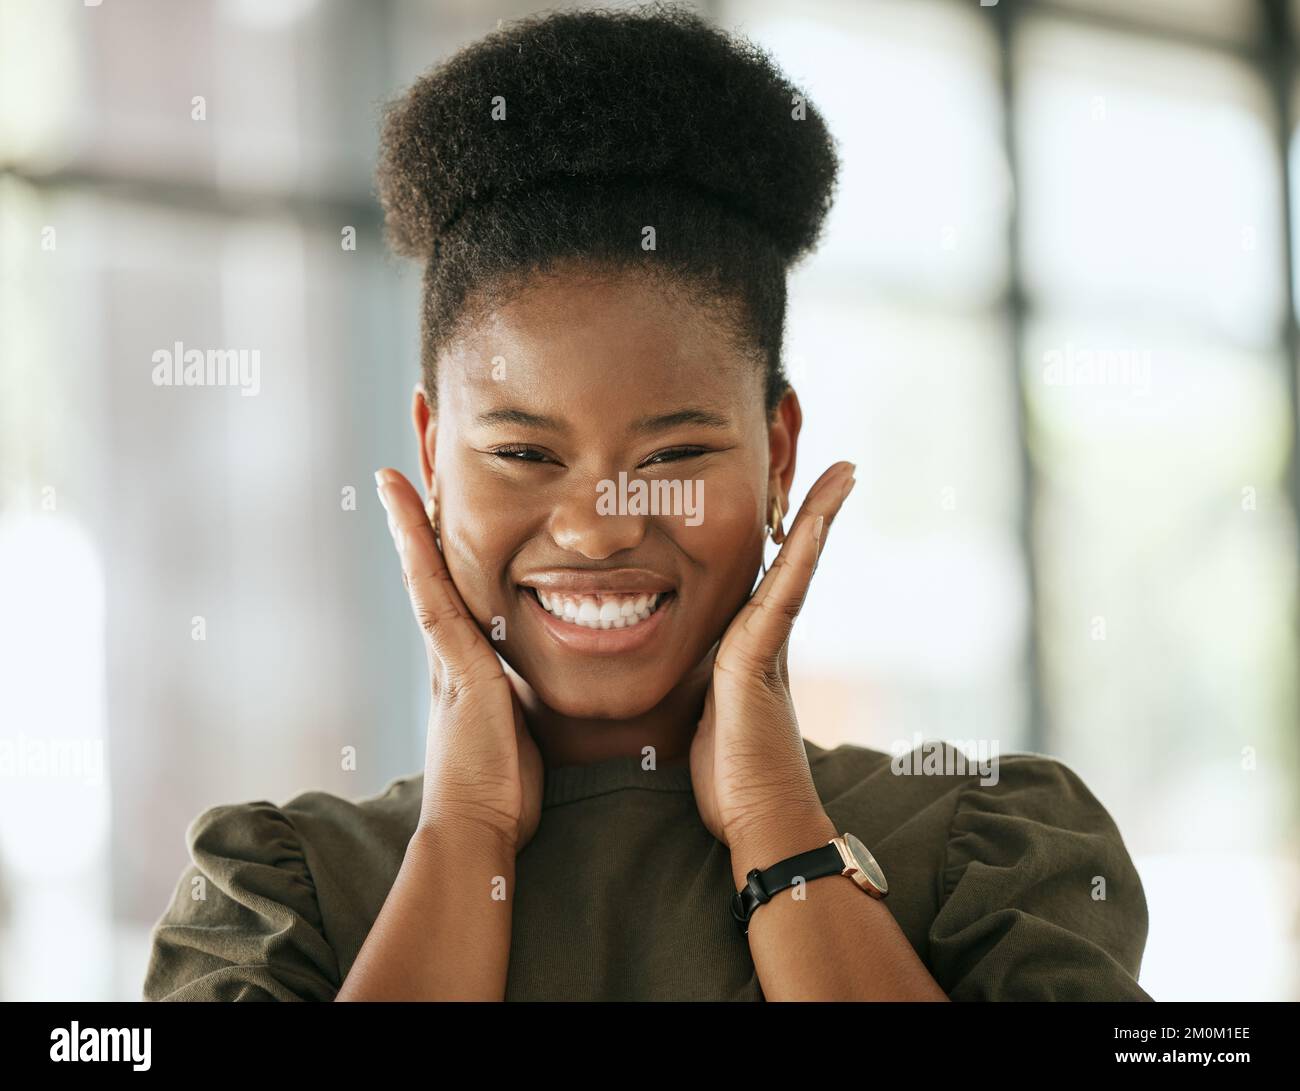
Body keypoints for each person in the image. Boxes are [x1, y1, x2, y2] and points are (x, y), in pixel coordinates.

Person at [143, 3, 1151, 1002]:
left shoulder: (985, 849)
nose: (597, 525)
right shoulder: (281, 895)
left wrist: (777, 825)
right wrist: (463, 834)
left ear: (777, 454)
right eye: (523, 449)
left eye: (673, 450)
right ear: (431, 455)